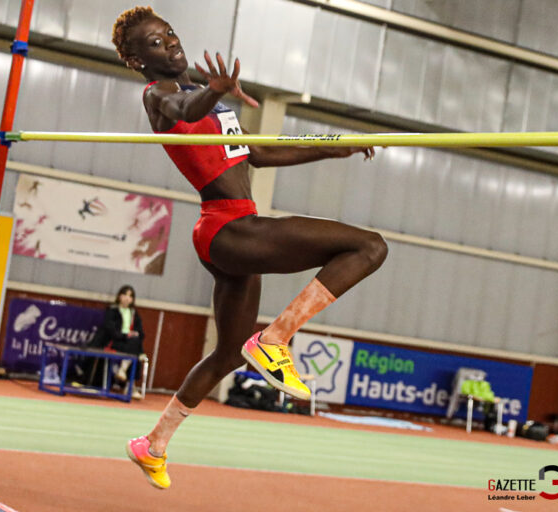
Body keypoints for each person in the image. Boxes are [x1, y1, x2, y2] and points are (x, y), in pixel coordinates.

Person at [111, 7, 388, 489]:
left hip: (227, 229)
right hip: (229, 227)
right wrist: (213, 93)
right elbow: (183, 111)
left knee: (229, 356)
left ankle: (152, 445)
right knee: (368, 247)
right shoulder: (160, 96)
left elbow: (255, 154)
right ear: (137, 60)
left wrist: (329, 147)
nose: (170, 44)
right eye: (155, 43)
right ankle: (276, 338)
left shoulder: (208, 99)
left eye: (170, 34)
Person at [88, 285, 146, 398]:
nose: (127, 298)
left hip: (129, 343)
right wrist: (125, 335)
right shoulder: (112, 311)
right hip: (114, 342)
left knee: (135, 343)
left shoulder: (134, 313)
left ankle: (123, 371)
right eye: (124, 295)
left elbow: (141, 333)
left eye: (130, 296)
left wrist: (135, 334)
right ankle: (130, 385)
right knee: (136, 350)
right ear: (119, 296)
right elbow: (110, 330)